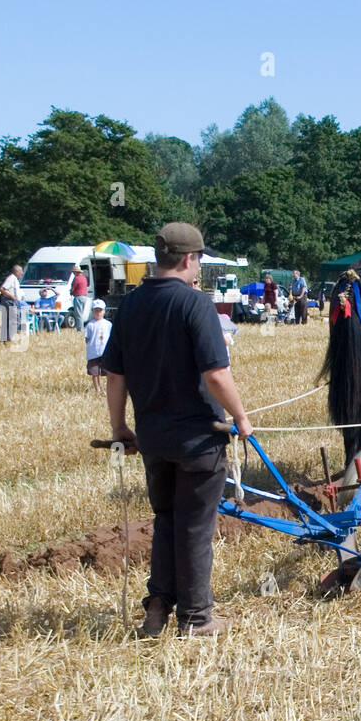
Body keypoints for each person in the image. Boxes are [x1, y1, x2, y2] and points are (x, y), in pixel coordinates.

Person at [100, 222, 253, 638]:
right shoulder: (195, 304)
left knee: (166, 520)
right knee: (194, 528)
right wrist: (240, 416)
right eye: (199, 260)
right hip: (197, 440)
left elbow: (114, 375)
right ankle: (197, 618)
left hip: (152, 438)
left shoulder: (129, 306)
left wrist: (119, 427)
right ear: (189, 259)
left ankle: (157, 608)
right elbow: (217, 373)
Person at [84, 299, 112, 393]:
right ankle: (98, 390)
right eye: (96, 311)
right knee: (94, 372)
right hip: (93, 353)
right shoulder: (90, 325)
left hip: (105, 352)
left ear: (104, 311)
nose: (98, 313)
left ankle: (109, 389)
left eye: (100, 310)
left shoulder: (108, 324)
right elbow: (87, 338)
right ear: (92, 311)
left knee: (108, 372)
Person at [0, 264, 24, 346]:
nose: (22, 273)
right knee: (15, 321)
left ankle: (5, 340)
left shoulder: (14, 279)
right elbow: (2, 289)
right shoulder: (11, 278)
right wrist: (12, 297)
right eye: (21, 271)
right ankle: (9, 339)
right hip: (9, 301)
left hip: (9, 301)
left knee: (7, 321)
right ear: (16, 271)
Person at [70, 265, 89, 332]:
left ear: (76, 272)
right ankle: (81, 328)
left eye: (74, 272)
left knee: (78, 314)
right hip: (84, 296)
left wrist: (71, 293)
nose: (73, 273)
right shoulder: (84, 278)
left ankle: (80, 329)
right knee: (81, 313)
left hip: (78, 297)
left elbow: (73, 288)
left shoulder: (77, 278)